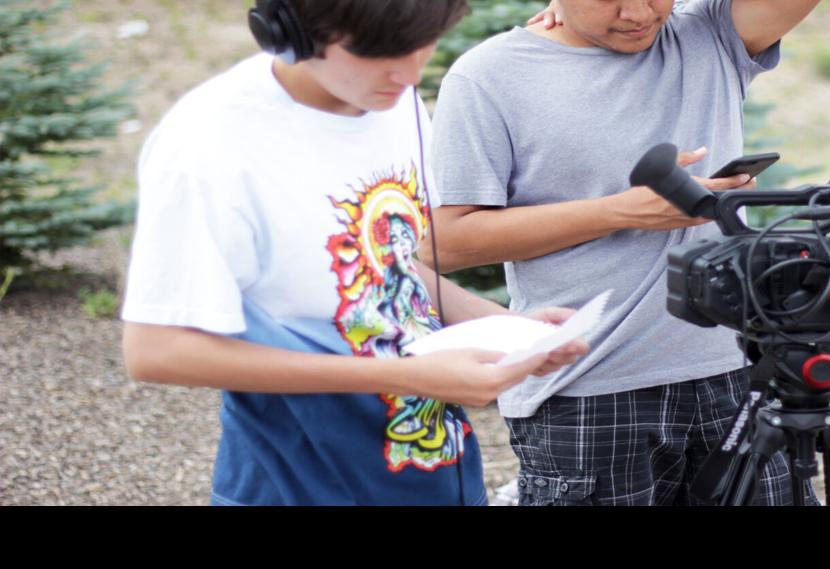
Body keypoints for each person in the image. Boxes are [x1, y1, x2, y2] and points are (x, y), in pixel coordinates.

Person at [120, 0, 589, 506]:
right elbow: (156, 350)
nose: (409, 72)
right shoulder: (206, 146)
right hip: (299, 486)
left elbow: (387, 263)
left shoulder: (392, 99)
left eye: (420, 46)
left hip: (434, 475)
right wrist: (404, 376)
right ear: (291, 28)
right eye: (380, 51)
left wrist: (508, 331)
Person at [428, 0, 822, 506]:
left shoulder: (709, 35)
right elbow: (447, 242)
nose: (636, 12)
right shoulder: (488, 77)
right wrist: (619, 212)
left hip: (735, 375)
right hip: (584, 393)